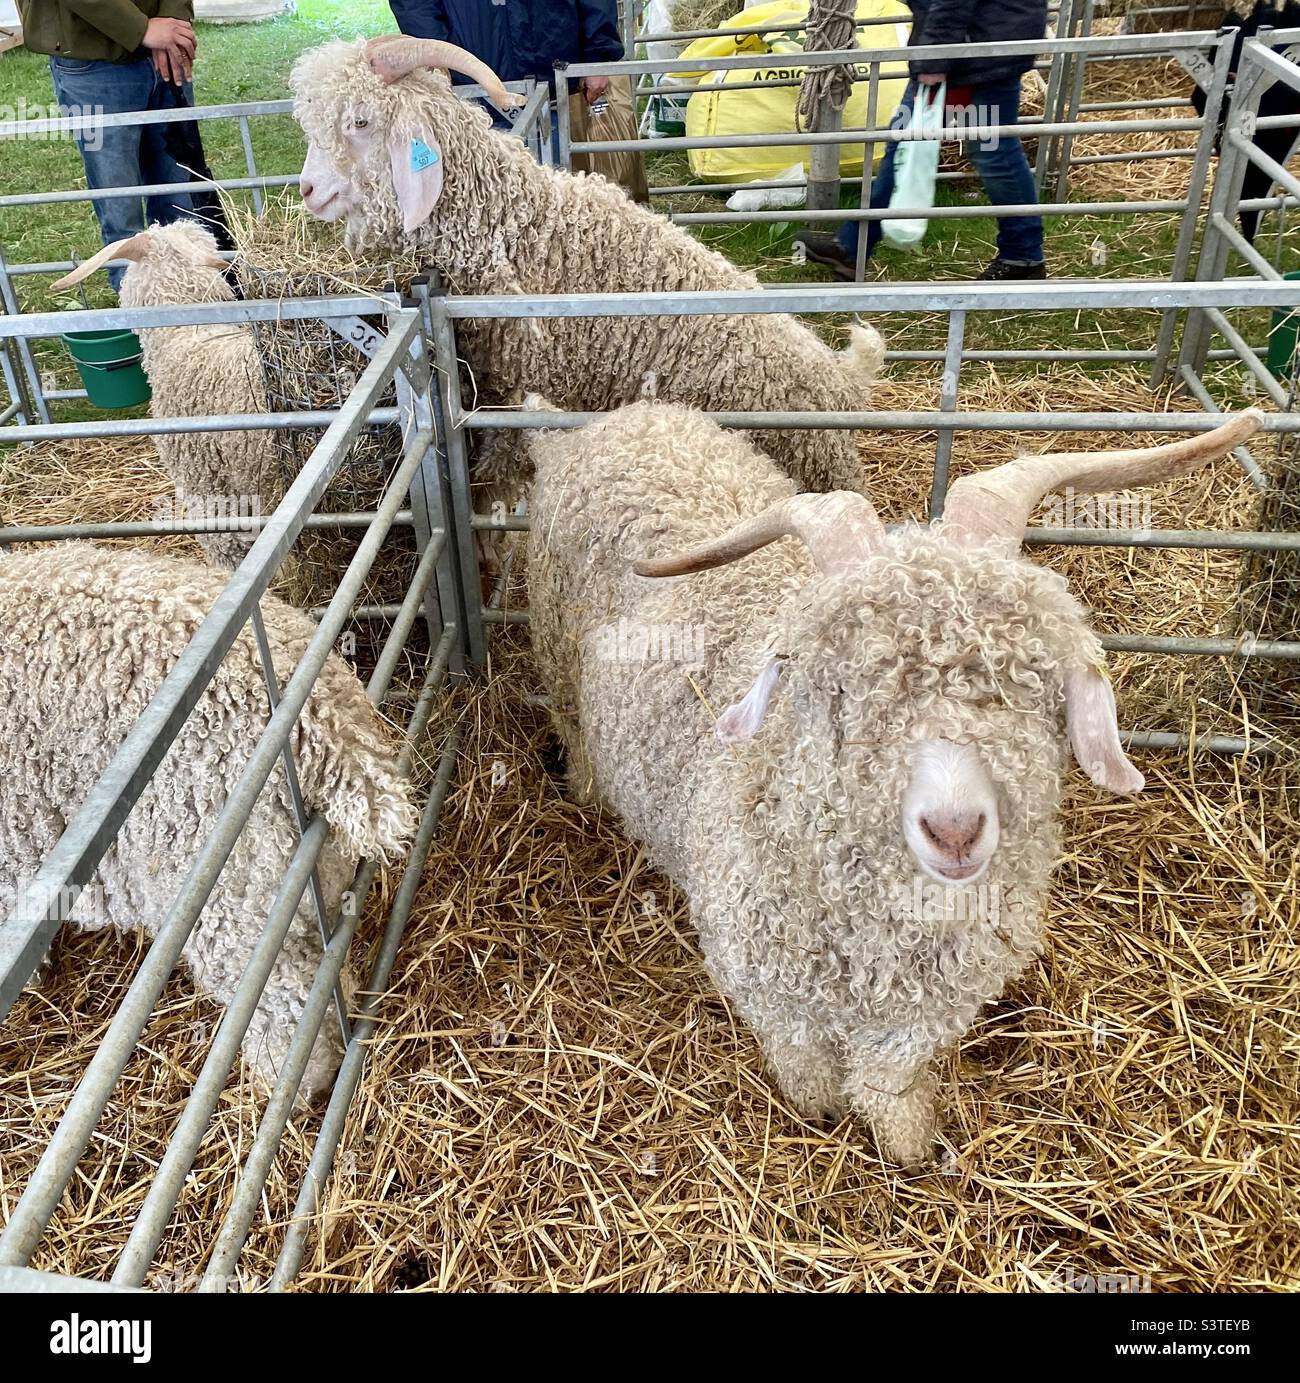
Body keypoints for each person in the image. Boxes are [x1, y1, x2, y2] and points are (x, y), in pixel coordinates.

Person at [794, 0, 1049, 282]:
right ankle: (853, 246)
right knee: (908, 144)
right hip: (973, 44)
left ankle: (1023, 256)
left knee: (995, 151)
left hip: (973, 50)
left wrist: (935, 55)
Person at [17, 0, 212, 290]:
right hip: (94, 60)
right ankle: (142, 319)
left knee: (183, 202)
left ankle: (195, 309)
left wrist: (172, 19)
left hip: (166, 47)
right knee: (122, 215)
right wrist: (140, 28)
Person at [388, 0, 624, 122]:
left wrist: (598, 57)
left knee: (556, 186)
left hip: (553, 73)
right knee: (484, 188)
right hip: (472, 85)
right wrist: (439, 56)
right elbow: (415, 6)